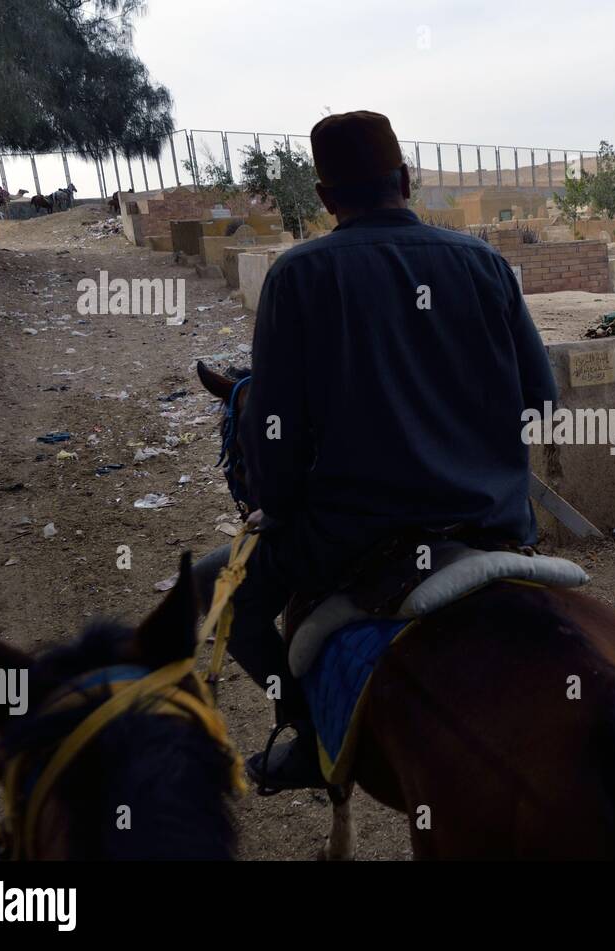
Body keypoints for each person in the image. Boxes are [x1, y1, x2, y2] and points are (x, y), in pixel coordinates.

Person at [195, 110, 557, 791]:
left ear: (326, 198)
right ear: (408, 179)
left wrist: (277, 506)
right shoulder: (484, 264)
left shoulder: (296, 277)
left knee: (219, 594)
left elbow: (272, 445)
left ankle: (304, 730)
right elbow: (541, 405)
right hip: (493, 524)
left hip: (350, 541)